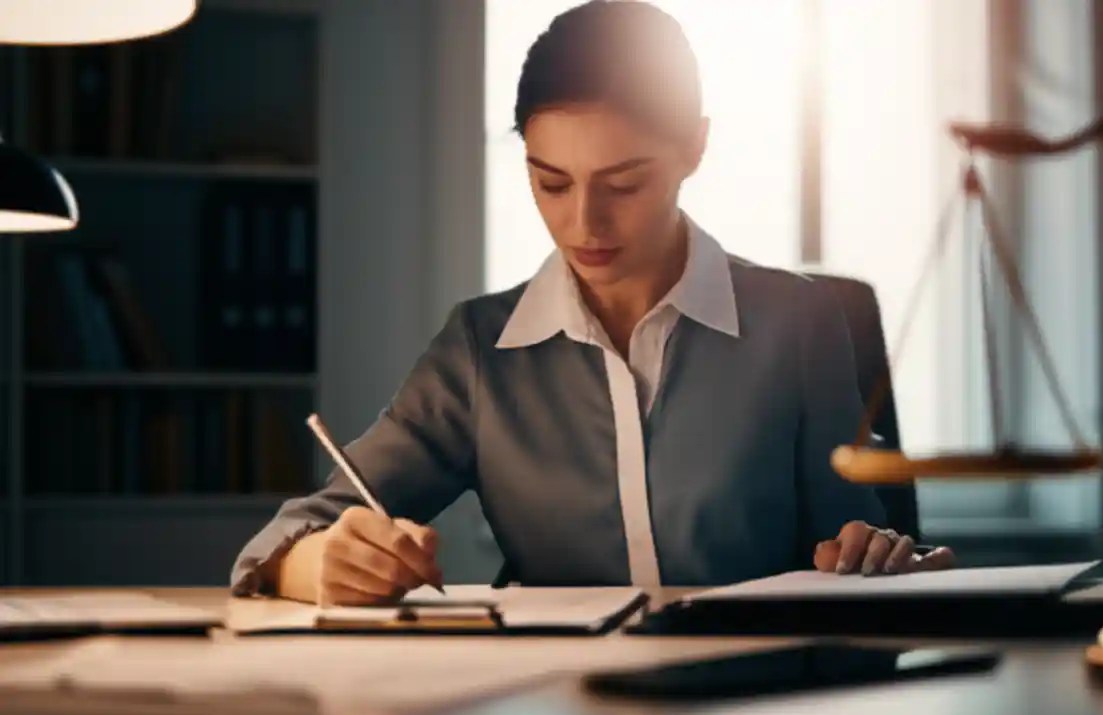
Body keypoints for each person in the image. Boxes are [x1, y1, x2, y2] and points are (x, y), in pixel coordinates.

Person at [231, 0, 955, 606]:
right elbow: (290, 537)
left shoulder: (799, 326)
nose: (585, 224)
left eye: (625, 184)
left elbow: (861, 546)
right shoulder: (483, 350)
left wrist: (878, 555)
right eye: (551, 183)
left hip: (753, 695)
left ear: (694, 149)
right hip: (553, 699)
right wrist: (316, 563)